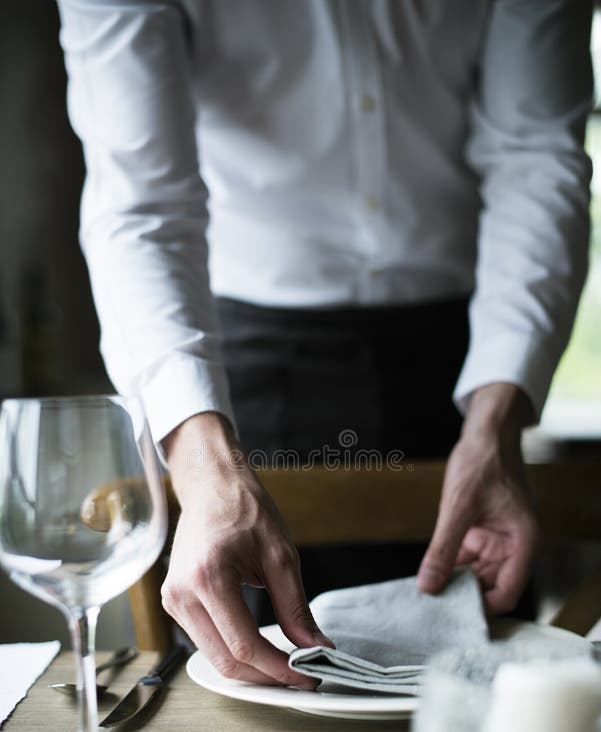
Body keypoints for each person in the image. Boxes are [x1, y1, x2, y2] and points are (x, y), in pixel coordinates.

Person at [57, 1, 592, 688]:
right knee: (249, 694)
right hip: (235, 379)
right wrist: (203, 471)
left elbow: (536, 158)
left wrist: (496, 421)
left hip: (463, 372)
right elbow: (141, 206)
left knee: (476, 699)